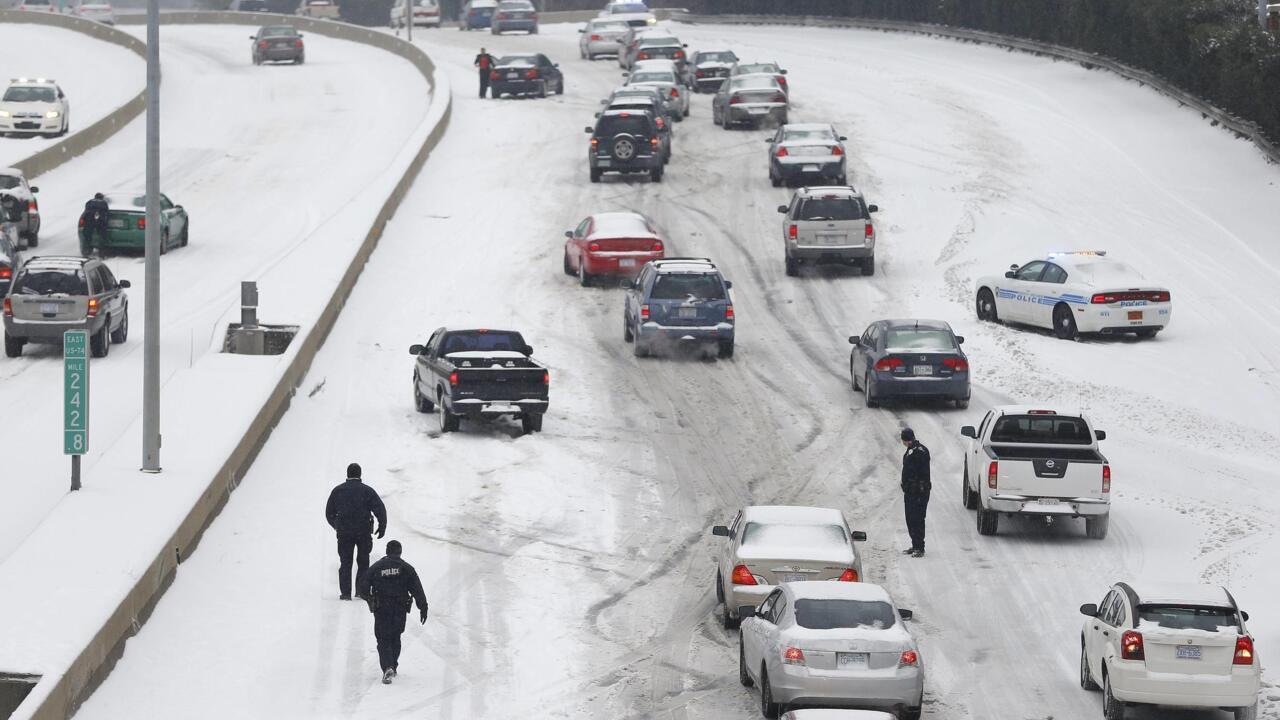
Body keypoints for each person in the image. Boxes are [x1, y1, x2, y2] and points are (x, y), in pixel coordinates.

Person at [360, 540, 429, 685]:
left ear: (387, 551)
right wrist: (423, 607)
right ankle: (393, 665)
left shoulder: (376, 567)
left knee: (383, 638)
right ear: (400, 552)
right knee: (395, 636)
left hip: (382, 607)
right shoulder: (406, 568)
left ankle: (387, 667)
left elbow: (363, 585)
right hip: (399, 607)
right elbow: (417, 589)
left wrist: (369, 598)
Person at [324, 462, 387, 600]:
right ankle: (361, 590)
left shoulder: (338, 491)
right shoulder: (367, 491)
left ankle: (346, 593)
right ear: (360, 474)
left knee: (345, 562)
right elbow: (379, 509)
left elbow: (329, 513)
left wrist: (337, 525)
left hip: (344, 533)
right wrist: (382, 526)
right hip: (363, 532)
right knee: (363, 561)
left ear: (347, 475)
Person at [899, 427, 931, 558]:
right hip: (911, 492)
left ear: (906, 440)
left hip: (918, 492)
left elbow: (920, 473)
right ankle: (915, 544)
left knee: (917, 519)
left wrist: (916, 487)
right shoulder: (912, 451)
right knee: (910, 519)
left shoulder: (919, 452)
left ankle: (920, 547)